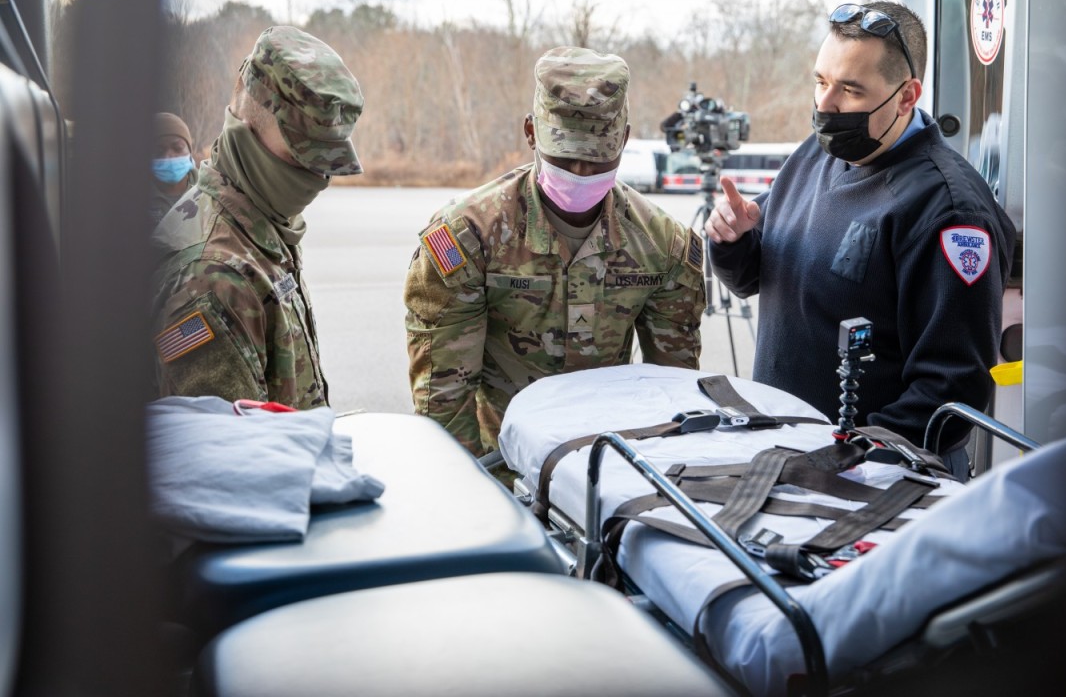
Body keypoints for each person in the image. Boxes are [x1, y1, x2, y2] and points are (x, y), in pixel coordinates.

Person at [704, 1, 1016, 481]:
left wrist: (840, 463)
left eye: (850, 90)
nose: (825, 106)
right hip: (786, 459)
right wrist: (732, 239)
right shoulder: (818, 154)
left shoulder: (949, 210)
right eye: (821, 82)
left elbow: (950, 389)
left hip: (875, 484)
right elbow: (753, 276)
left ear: (907, 96)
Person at [404, 45, 706, 458]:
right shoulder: (470, 237)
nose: (581, 174)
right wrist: (473, 489)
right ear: (531, 133)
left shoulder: (662, 244)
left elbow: (674, 391)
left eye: (599, 161)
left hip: (612, 465)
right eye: (564, 158)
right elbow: (444, 398)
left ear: (625, 140)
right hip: (504, 462)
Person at [150, 26, 364, 409]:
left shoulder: (259, 220)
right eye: (304, 160)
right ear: (250, 132)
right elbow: (232, 458)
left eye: (326, 163)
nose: (319, 178)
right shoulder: (212, 274)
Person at [150, 111, 198, 227]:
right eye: (159, 151)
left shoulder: (208, 193)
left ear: (190, 152)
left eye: (177, 148)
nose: (169, 157)